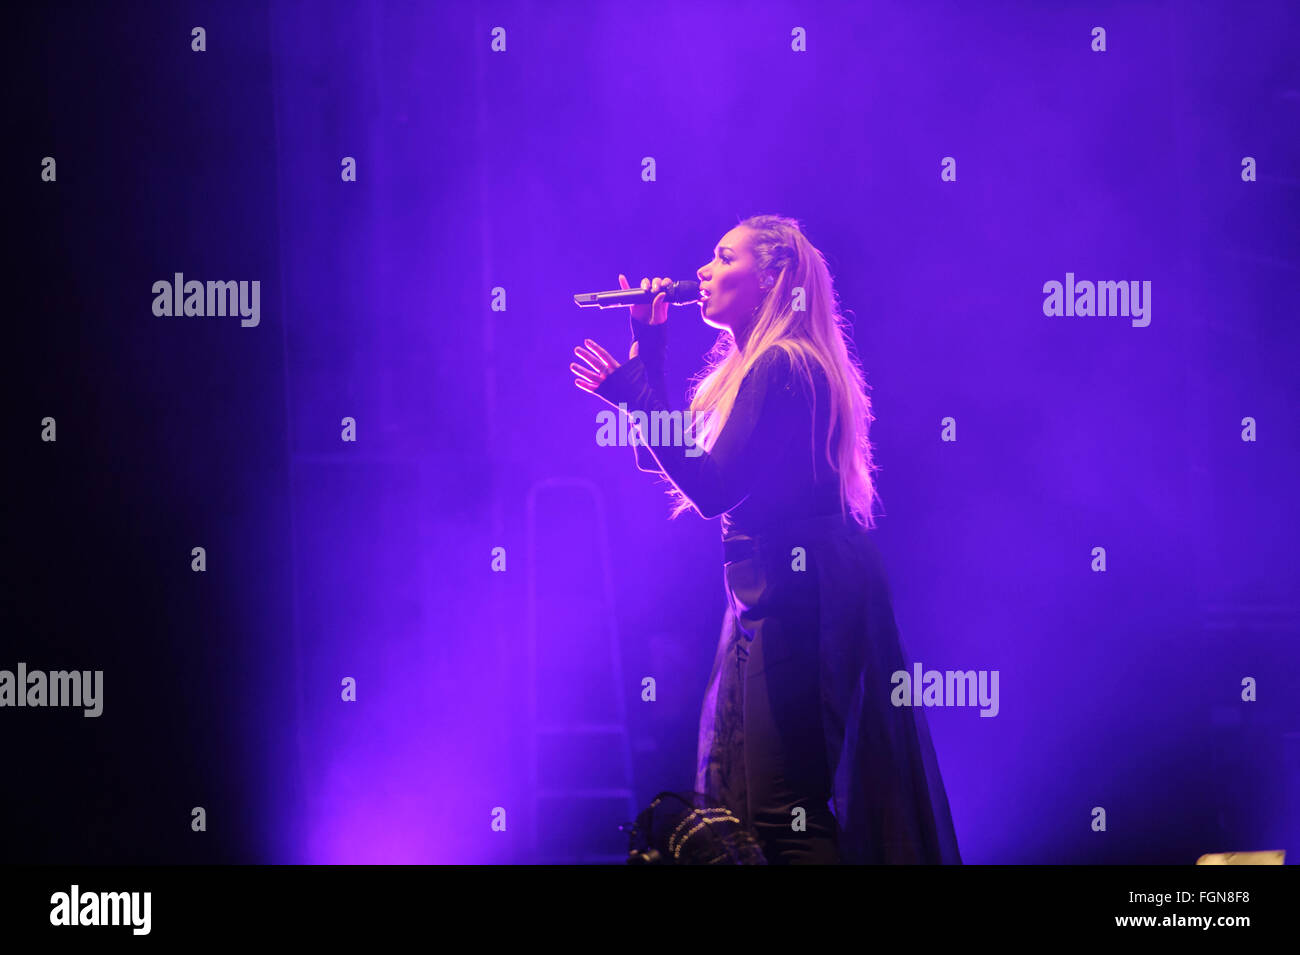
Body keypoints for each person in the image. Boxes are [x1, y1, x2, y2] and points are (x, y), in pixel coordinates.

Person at [569, 214, 962, 865]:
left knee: (787, 811)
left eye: (725, 257)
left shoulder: (786, 365)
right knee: (753, 803)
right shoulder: (755, 367)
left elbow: (711, 487)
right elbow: (671, 457)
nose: (703, 271)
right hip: (766, 594)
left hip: (799, 596)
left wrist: (638, 391)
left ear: (773, 279)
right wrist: (651, 352)